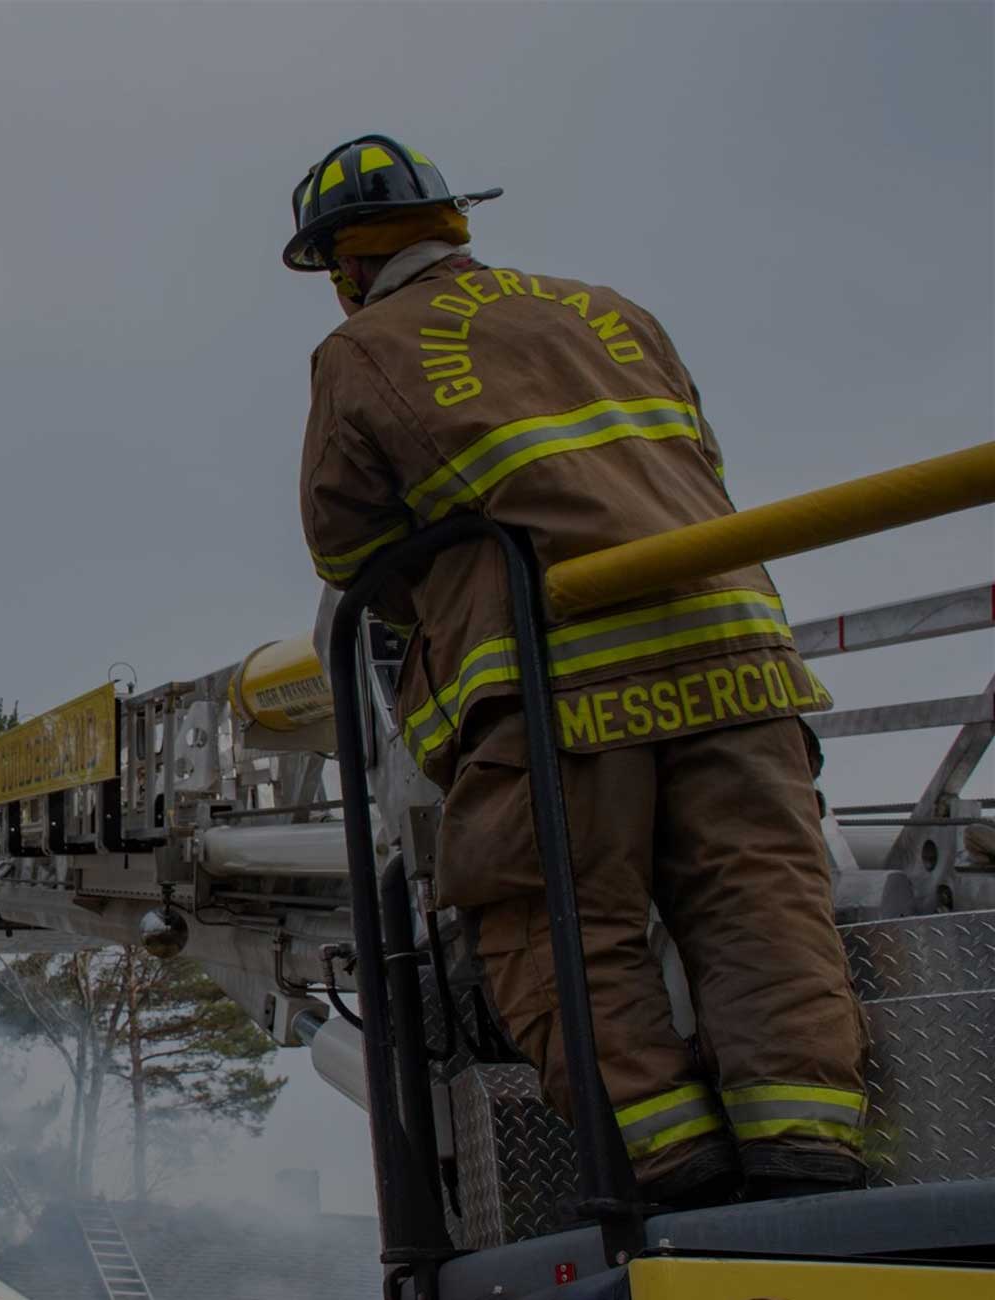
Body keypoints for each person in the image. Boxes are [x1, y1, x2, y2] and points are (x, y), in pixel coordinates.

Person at [287, 135, 867, 1207]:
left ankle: (670, 1174)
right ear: (451, 223)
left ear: (346, 265)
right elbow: (700, 463)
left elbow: (346, 544)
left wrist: (451, 602)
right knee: (762, 902)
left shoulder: (362, 350)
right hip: (739, 656)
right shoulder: (612, 311)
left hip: (557, 681)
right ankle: (807, 1158)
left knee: (551, 918)